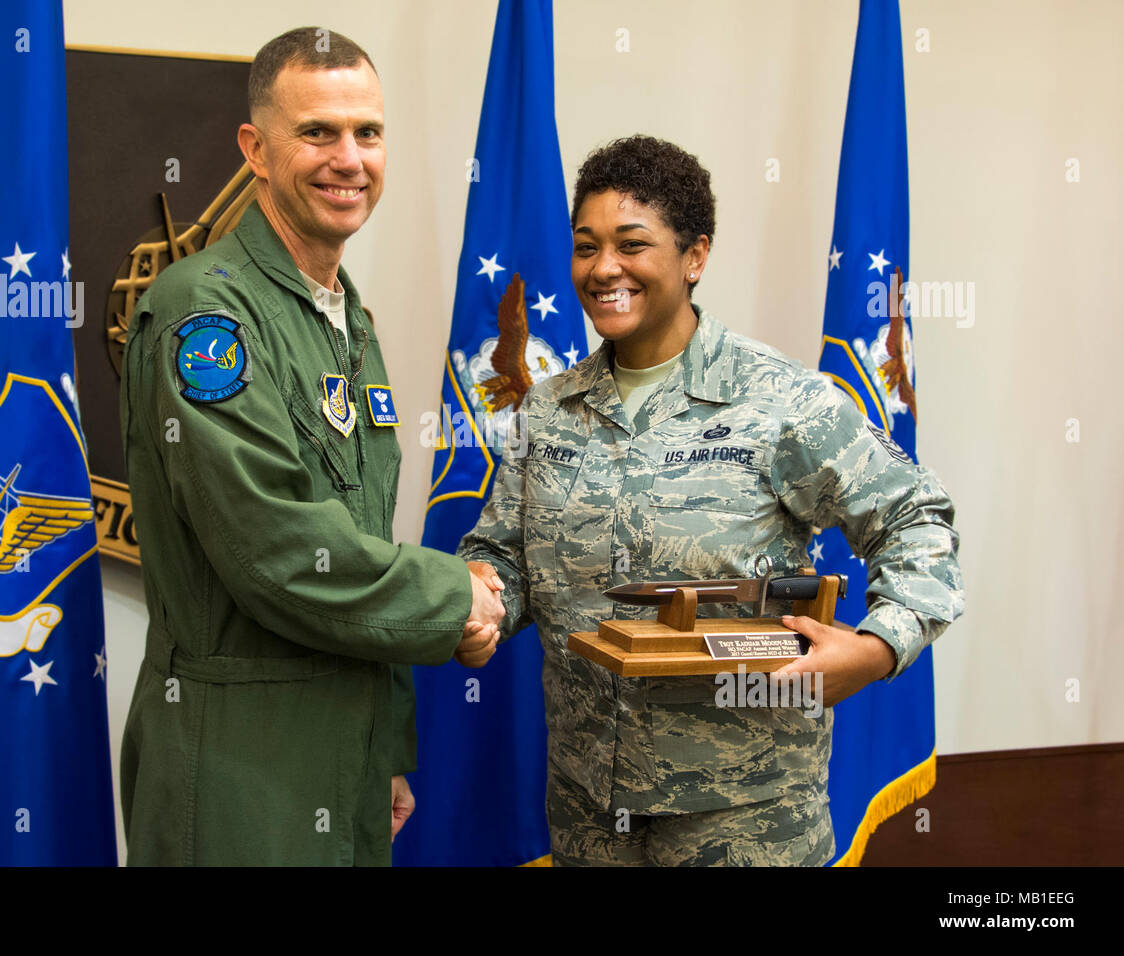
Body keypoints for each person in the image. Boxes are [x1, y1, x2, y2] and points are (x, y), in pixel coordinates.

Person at [458, 135, 964, 866]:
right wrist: (478, 608)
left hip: (747, 817)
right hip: (589, 810)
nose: (604, 269)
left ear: (695, 256)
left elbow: (918, 522)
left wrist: (876, 648)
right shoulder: (547, 410)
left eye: (632, 244)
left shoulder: (782, 401)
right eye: (585, 246)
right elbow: (502, 554)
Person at [118, 27, 504, 866]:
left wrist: (388, 745)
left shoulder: (342, 315)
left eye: (368, 132)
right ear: (255, 149)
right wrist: (454, 598)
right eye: (318, 132)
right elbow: (278, 550)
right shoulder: (207, 315)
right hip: (242, 765)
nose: (349, 158)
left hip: (344, 749)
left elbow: (358, 538)